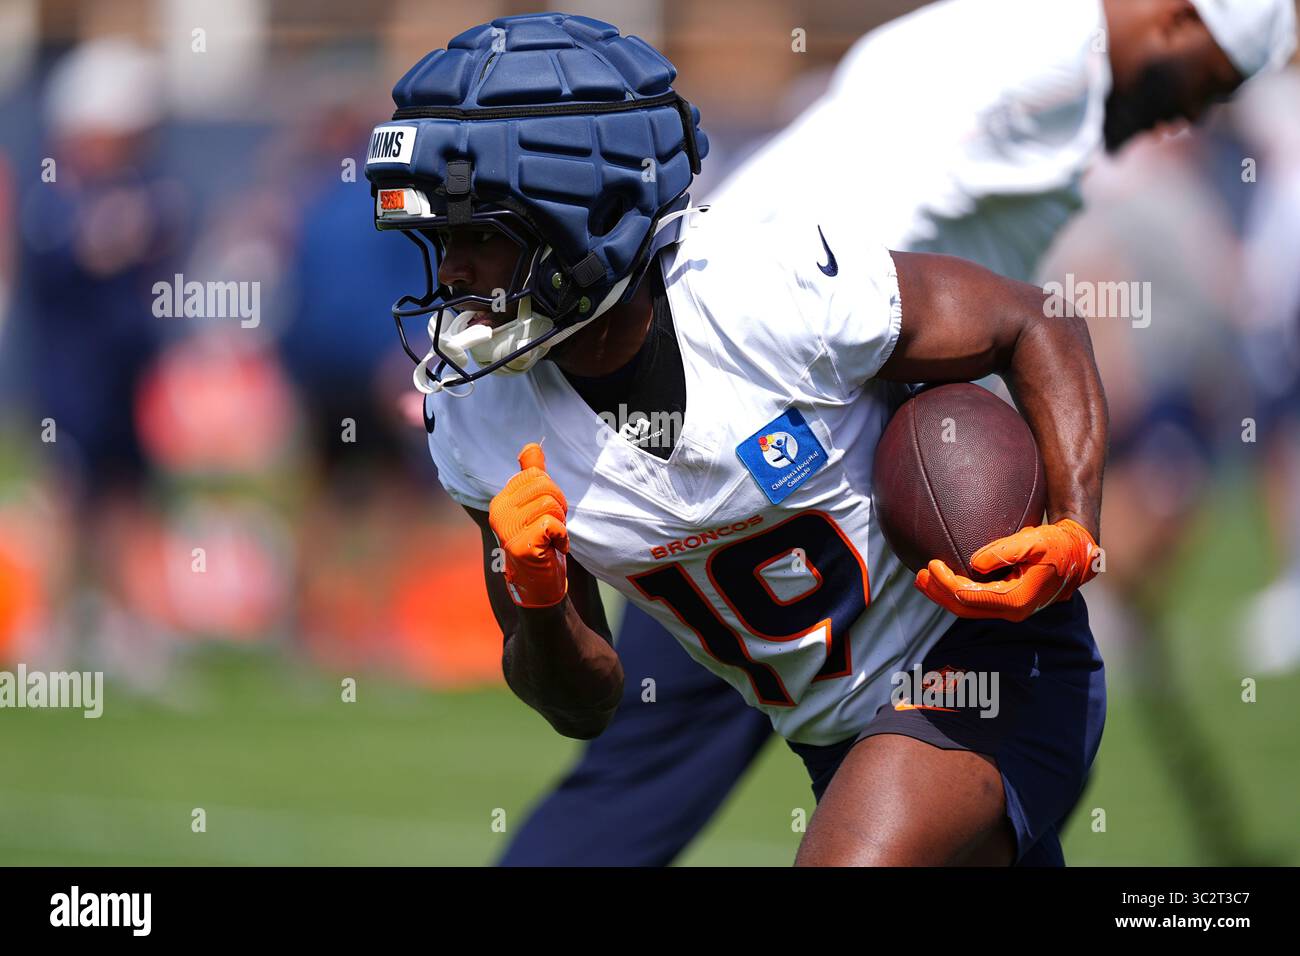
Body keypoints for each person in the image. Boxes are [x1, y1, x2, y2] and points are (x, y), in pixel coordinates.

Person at [495, 0, 1297, 865]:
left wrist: (1071, 515)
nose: (1187, 116)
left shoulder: (1043, 57)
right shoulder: (1041, 64)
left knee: (674, 771)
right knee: (660, 769)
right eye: (1206, 83)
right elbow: (825, 242)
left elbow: (1008, 308)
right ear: (1177, 21)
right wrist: (730, 363)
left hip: (826, 464)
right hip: (795, 451)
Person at [364, 12, 1114, 866]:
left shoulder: (761, 287)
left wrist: (1076, 526)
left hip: (991, 666)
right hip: (835, 741)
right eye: (440, 241)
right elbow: (586, 704)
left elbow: (1033, 321)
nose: (452, 275)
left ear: (586, 217)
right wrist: (537, 604)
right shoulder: (477, 418)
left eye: (481, 236)